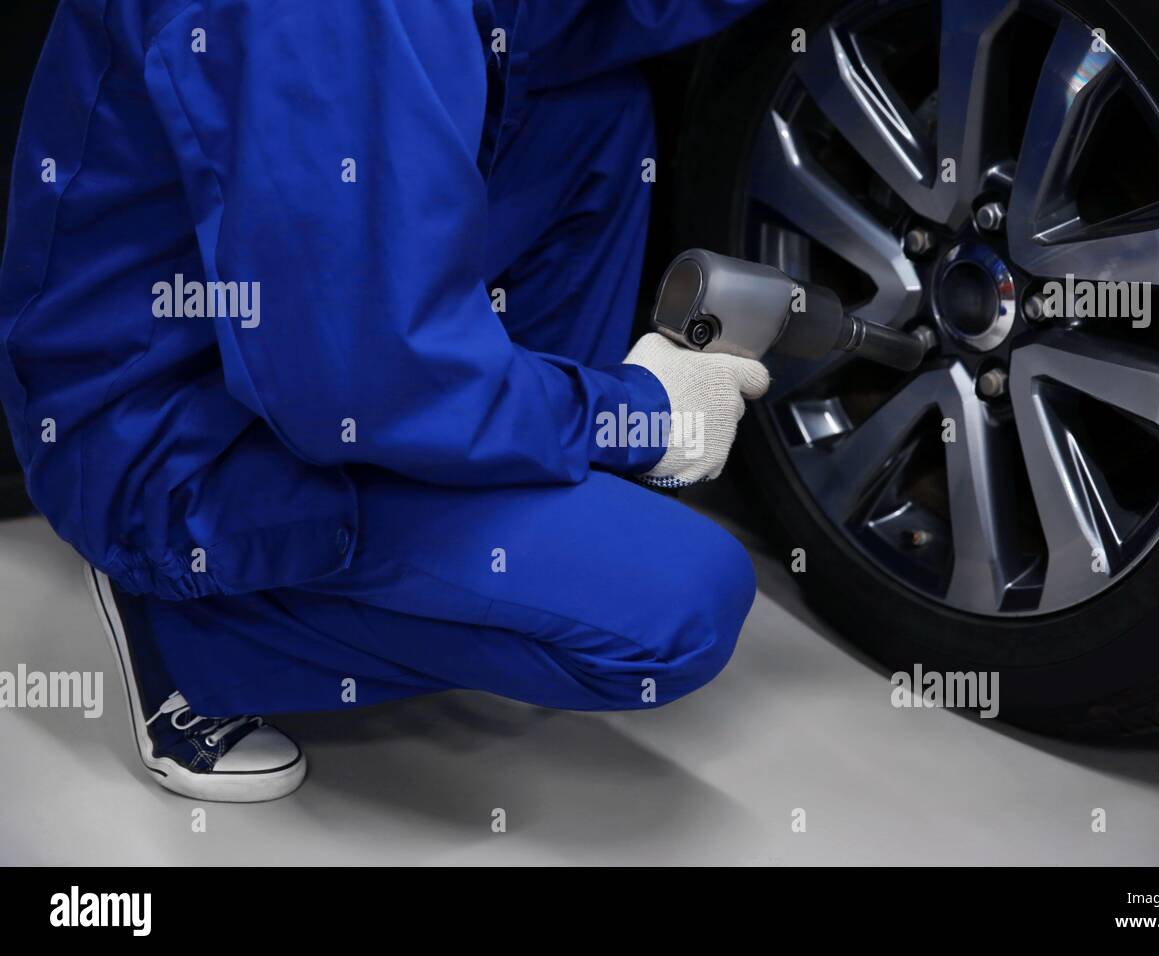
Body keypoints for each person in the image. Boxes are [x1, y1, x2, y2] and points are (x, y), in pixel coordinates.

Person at [0, 0, 772, 801]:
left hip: (316, 357)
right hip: (179, 437)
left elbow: (555, 20)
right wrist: (638, 413)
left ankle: (495, 506)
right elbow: (363, 385)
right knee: (683, 605)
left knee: (594, 116)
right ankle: (193, 624)